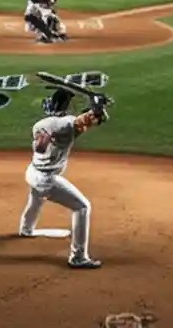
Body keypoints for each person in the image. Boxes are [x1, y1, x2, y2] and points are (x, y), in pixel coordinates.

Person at [18, 86, 110, 269]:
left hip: (32, 172)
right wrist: (98, 105)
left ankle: (26, 229)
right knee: (82, 207)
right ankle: (78, 257)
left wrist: (97, 109)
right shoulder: (69, 124)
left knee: (36, 197)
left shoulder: (42, 124)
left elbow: (40, 147)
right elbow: (96, 119)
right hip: (47, 180)